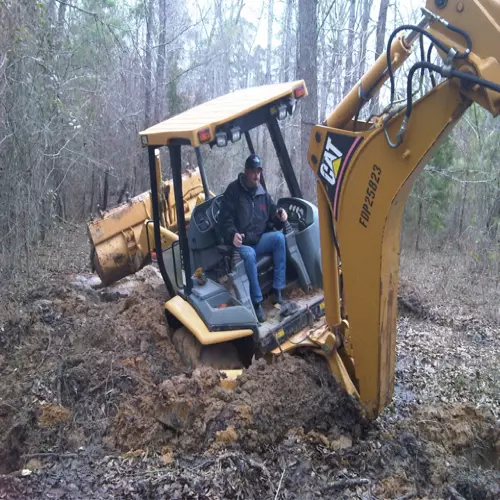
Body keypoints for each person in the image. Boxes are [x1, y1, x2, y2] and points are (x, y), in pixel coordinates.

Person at [219, 154, 288, 323]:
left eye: (259, 172)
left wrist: (281, 215)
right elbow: (224, 219)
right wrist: (232, 234)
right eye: (253, 172)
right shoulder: (233, 191)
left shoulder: (262, 193)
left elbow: (273, 213)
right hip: (242, 244)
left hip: (259, 239)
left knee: (279, 238)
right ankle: (257, 302)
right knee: (249, 255)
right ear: (246, 171)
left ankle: (278, 290)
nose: (257, 176)